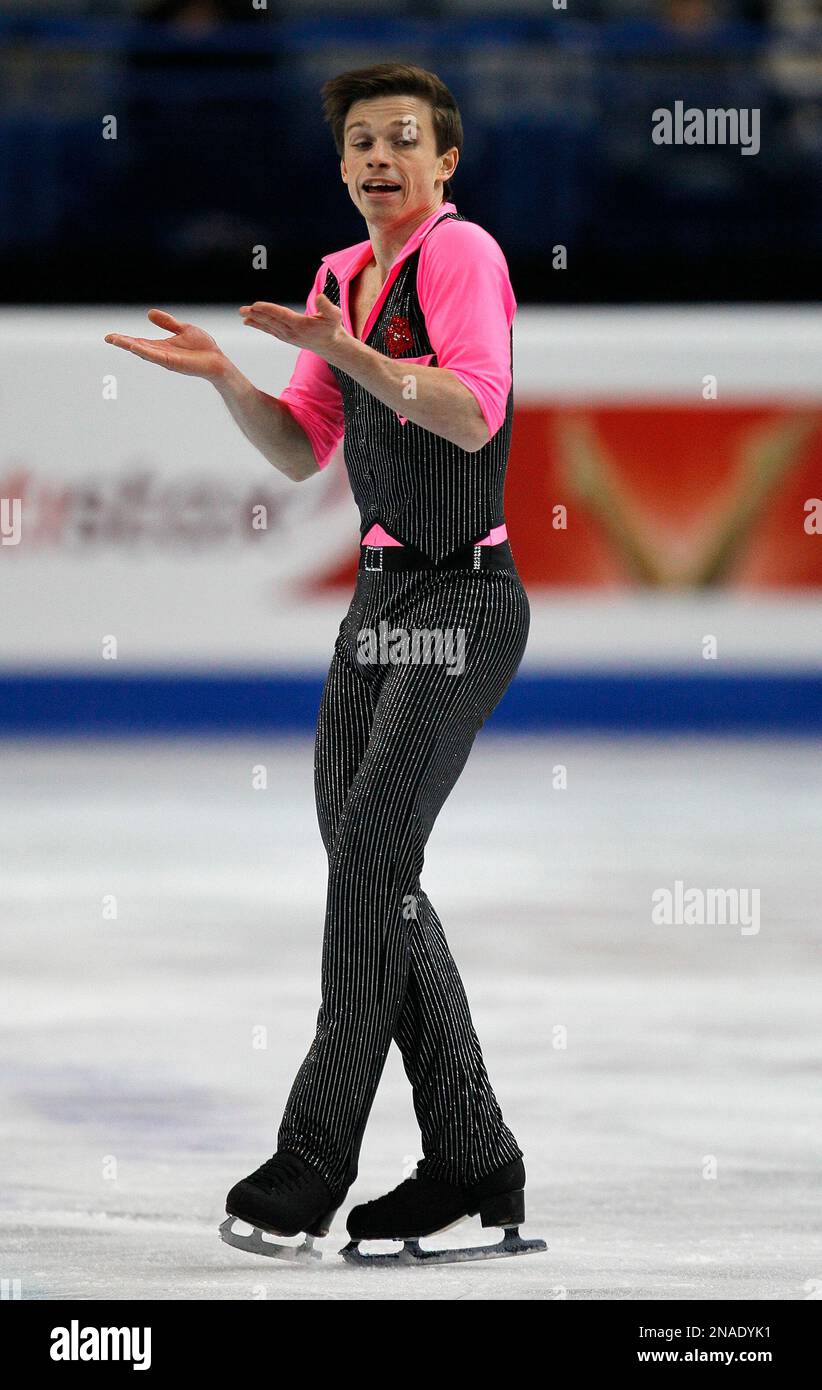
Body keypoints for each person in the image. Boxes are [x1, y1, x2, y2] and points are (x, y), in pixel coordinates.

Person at [106, 61, 534, 1257]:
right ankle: (473, 1150)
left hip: (465, 599)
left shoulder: (464, 255)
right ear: (341, 166)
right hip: (378, 604)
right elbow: (301, 450)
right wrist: (234, 384)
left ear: (445, 162)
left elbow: (472, 412)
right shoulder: (341, 275)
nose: (379, 159)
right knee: (373, 869)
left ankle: (313, 1158)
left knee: (369, 862)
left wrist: (346, 355)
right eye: (360, 143)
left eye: (404, 139)